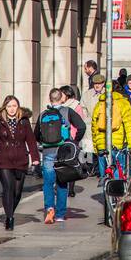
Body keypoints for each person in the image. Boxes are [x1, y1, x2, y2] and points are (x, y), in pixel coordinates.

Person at [0, 97, 40, 230]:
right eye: (9, 106)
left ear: (18, 107)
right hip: (3, 160)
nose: (12, 109)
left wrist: (35, 158)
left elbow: (31, 140)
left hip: (21, 160)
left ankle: (10, 211)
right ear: (4, 107)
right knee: (8, 188)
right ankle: (10, 217)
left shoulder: (24, 121)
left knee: (17, 192)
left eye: (14, 106)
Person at [35, 88, 86, 224]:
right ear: (62, 99)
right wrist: (73, 141)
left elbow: (36, 134)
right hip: (64, 153)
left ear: (49, 99)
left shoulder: (43, 114)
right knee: (62, 182)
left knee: (48, 183)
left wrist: (44, 143)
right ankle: (60, 214)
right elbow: (82, 127)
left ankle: (49, 208)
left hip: (48, 152)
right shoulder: (67, 111)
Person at [92, 87, 131, 181]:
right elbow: (129, 125)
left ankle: (105, 189)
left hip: (101, 143)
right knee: (118, 167)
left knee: (104, 173)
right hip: (117, 144)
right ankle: (117, 191)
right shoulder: (124, 103)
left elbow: (94, 127)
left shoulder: (99, 103)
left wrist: (96, 147)